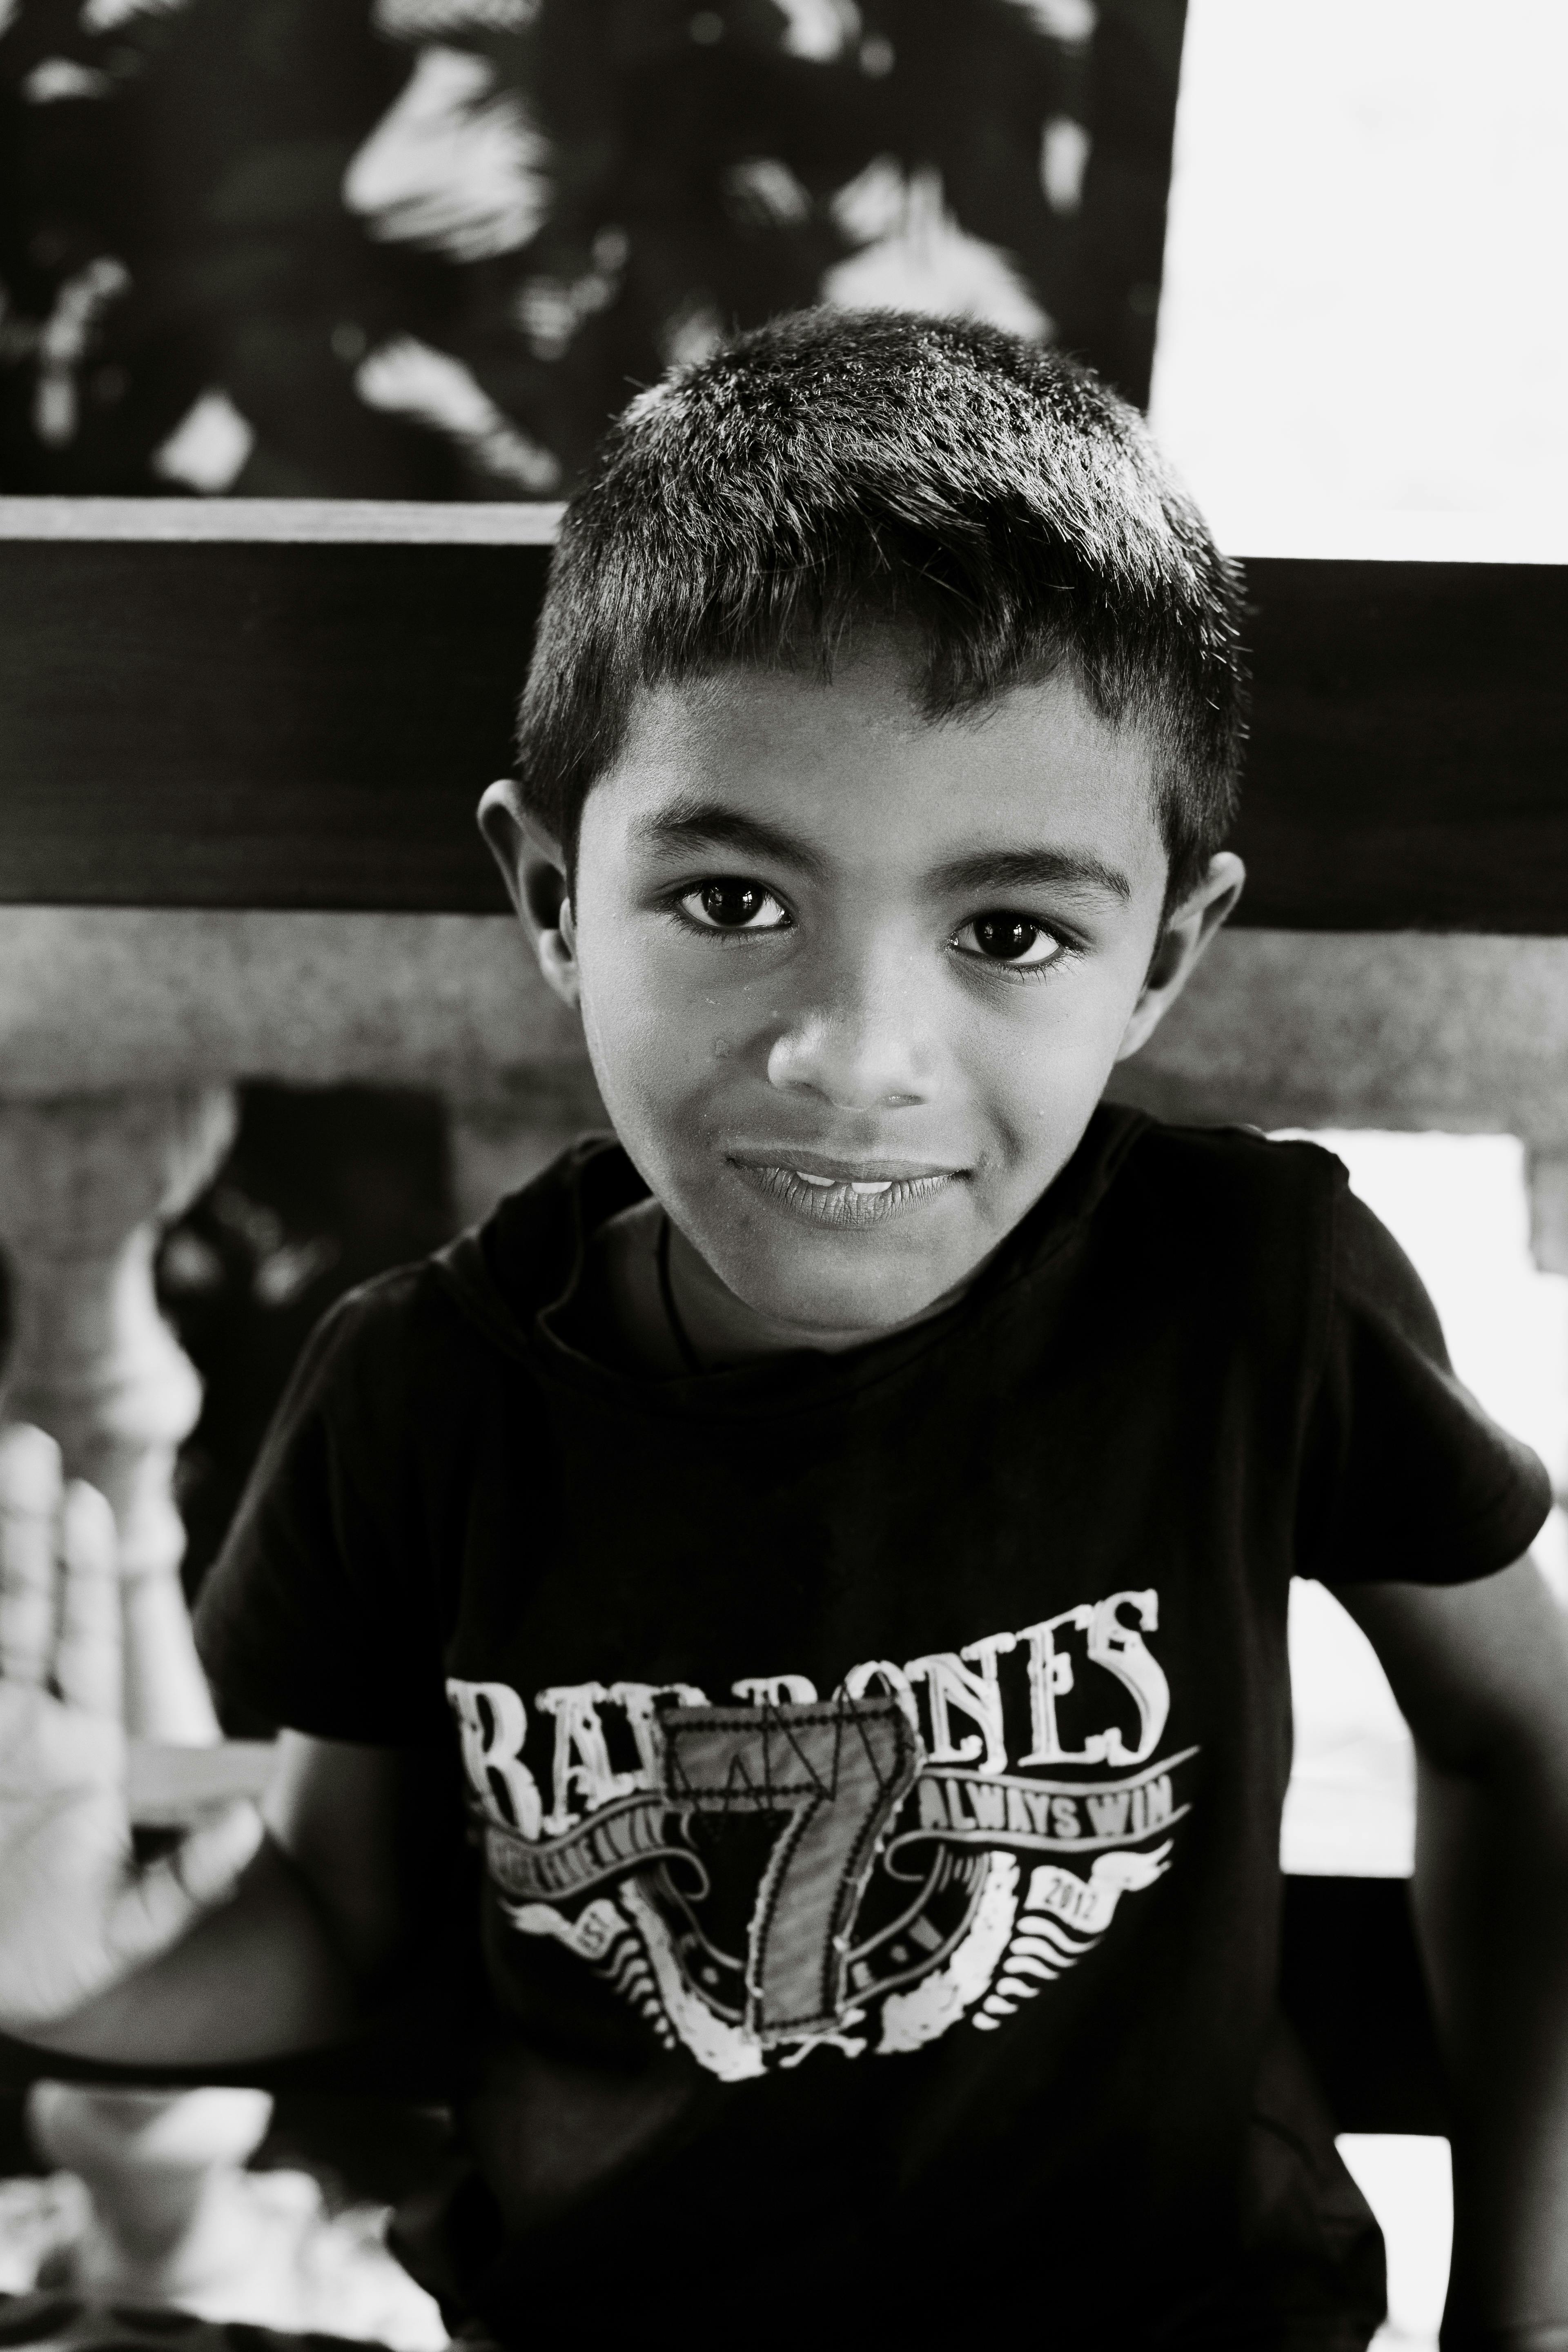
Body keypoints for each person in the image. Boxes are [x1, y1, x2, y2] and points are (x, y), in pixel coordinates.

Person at [2, 310, 1566, 2352]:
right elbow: (351, 1935)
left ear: (1163, 955)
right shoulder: (425, 1401)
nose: (852, 1058)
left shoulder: (1244, 1296)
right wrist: (58, 1961)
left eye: (1009, 935)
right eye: (735, 902)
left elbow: (1528, 1744)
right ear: (556, 894)